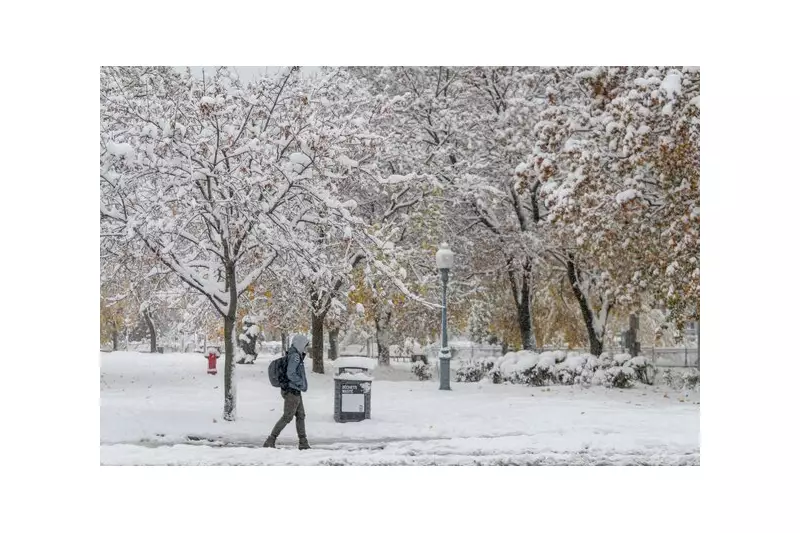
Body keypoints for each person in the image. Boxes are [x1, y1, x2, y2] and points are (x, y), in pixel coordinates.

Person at [263, 334, 310, 449]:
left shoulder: (295, 354)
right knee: (287, 417)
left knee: (301, 415)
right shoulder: (295, 357)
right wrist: (300, 382)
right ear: (299, 343)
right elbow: (291, 373)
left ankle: (303, 443)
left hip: (295, 390)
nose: (306, 347)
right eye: (305, 345)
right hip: (292, 391)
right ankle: (270, 439)